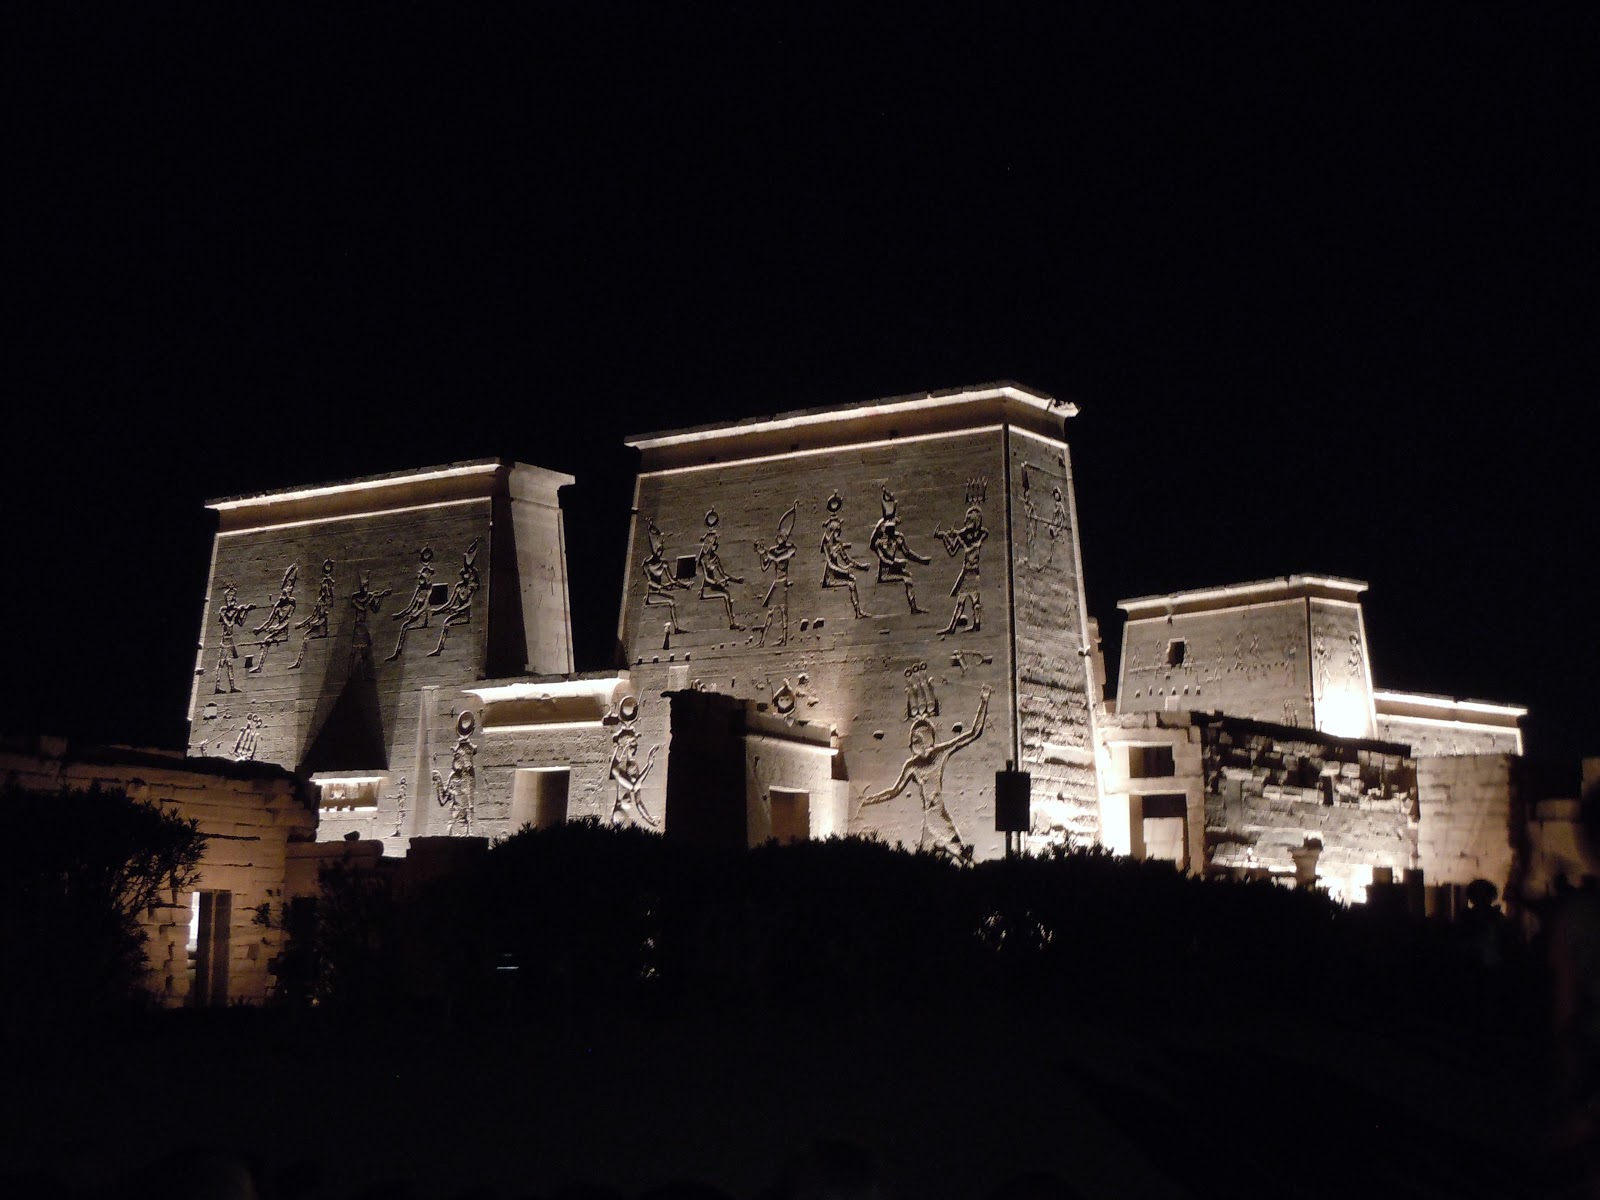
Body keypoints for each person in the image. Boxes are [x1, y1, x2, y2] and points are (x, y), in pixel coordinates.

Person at [857, 685, 991, 860]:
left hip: (936, 816)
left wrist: (984, 701)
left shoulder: (938, 755)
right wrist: (869, 800)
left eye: (916, 739)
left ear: (926, 739)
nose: (912, 744)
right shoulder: (913, 765)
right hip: (930, 818)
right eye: (912, 740)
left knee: (959, 855)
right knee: (933, 858)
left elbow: (973, 733)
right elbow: (894, 791)